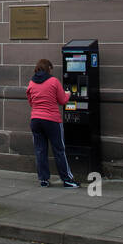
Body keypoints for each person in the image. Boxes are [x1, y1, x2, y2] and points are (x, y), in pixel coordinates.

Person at [26, 57, 79, 188]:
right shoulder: (53, 81)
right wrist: (68, 94)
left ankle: (43, 179)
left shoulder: (31, 83)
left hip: (36, 120)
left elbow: (31, 102)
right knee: (59, 150)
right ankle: (67, 179)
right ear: (48, 68)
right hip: (52, 120)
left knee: (40, 150)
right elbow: (62, 100)